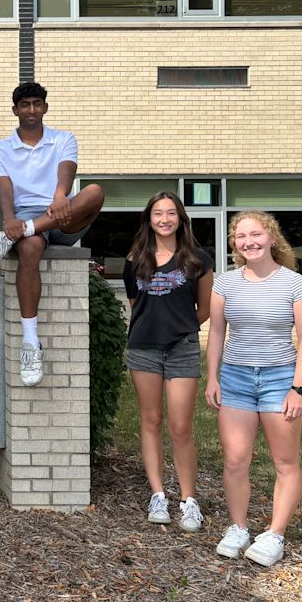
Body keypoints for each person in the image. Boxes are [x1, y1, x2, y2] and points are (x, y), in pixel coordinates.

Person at [205, 211, 302, 567]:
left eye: (255, 234)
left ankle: (275, 535)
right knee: (235, 460)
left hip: (280, 379)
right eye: (240, 236)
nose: (248, 242)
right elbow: (217, 334)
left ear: (271, 238)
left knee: (285, 462)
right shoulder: (225, 283)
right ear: (234, 243)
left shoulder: (295, 285)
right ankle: (238, 527)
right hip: (235, 378)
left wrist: (297, 389)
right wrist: (213, 377)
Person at [0, 82, 104, 386]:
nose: (32, 110)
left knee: (94, 192)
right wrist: (10, 220)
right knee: (29, 250)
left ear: (45, 108)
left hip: (61, 214)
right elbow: (3, 189)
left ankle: (22, 232)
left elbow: (67, 169)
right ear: (15, 110)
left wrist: (61, 196)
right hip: (24, 216)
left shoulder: (63, 139)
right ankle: (30, 342)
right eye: (25, 105)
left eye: (37, 104)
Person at [122, 191, 213, 531]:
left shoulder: (198, 259)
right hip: (143, 348)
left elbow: (203, 310)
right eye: (157, 213)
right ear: (149, 219)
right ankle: (158, 494)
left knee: (180, 426)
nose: (164, 219)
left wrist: (179, 329)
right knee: (151, 420)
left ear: (180, 219)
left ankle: (189, 500)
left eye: (170, 213)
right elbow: (136, 304)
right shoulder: (135, 259)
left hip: (182, 348)